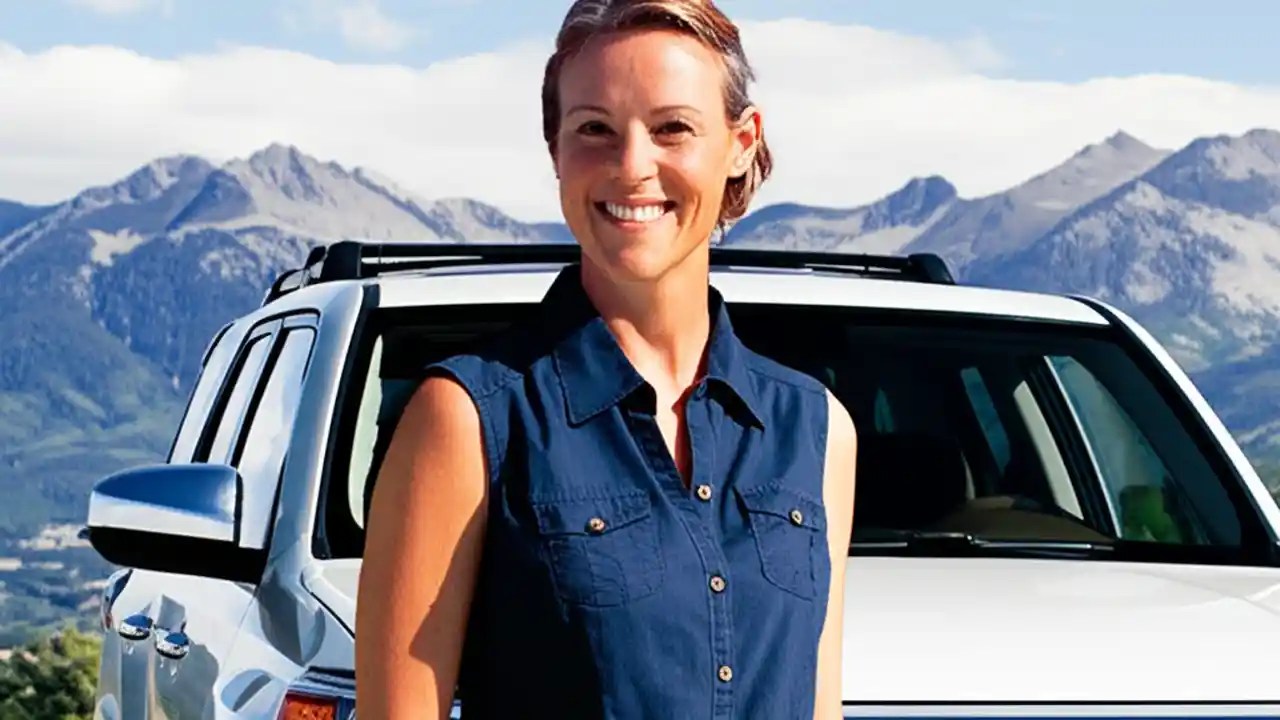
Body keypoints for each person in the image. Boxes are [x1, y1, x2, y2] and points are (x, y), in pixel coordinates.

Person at [354, 0, 858, 717]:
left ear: (742, 141)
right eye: (594, 129)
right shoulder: (466, 420)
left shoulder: (817, 430)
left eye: (672, 128)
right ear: (554, 149)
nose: (631, 167)